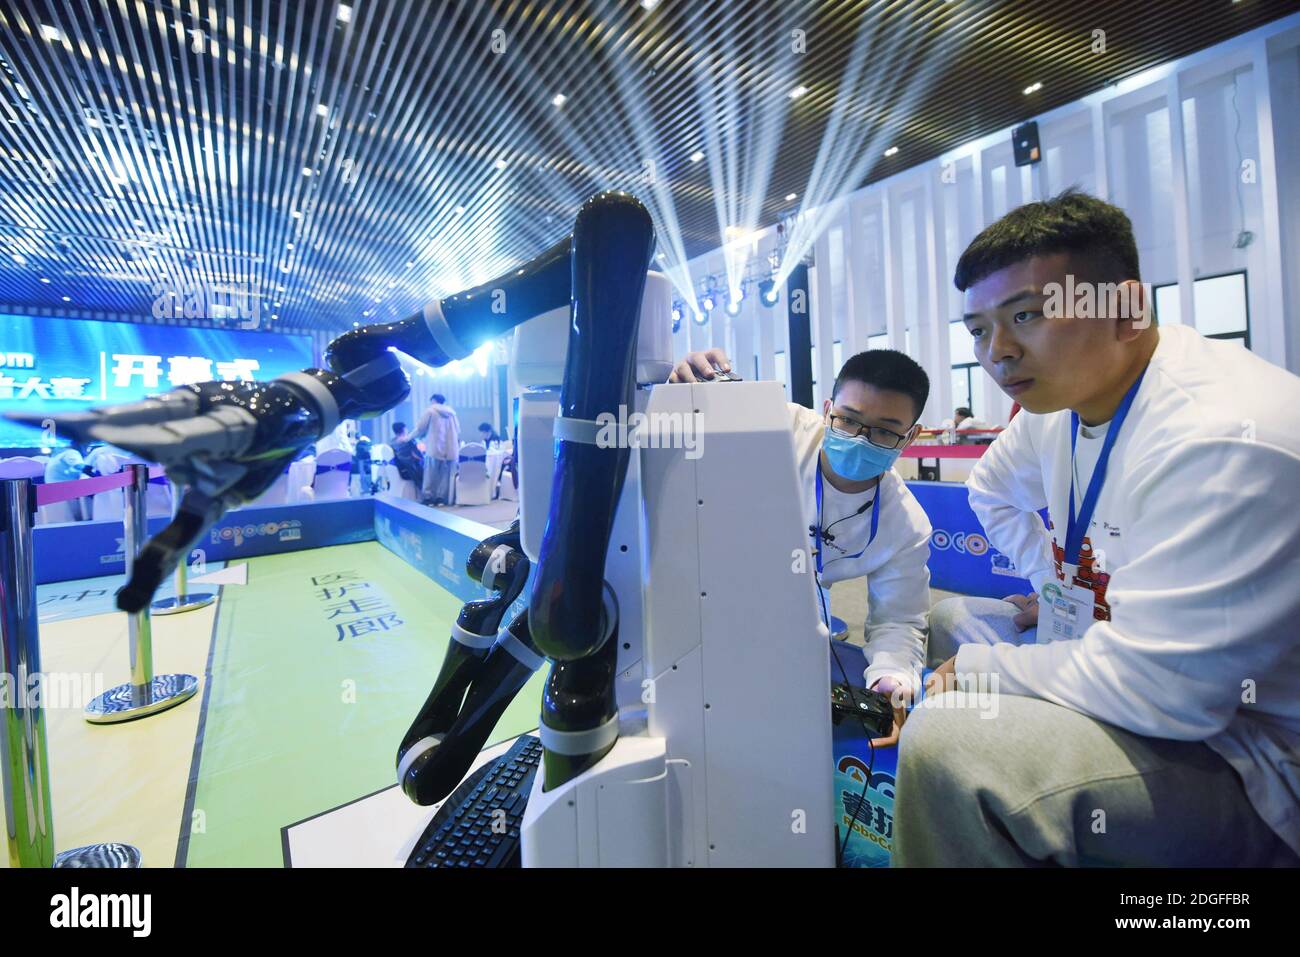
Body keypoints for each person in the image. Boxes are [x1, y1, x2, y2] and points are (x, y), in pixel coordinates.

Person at [896, 189, 1300, 866]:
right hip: (1153, 682)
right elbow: (992, 492)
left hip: (1251, 752)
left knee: (952, 737)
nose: (998, 351)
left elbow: (1165, 689)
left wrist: (983, 671)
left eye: (1025, 315)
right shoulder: (1057, 407)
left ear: (1127, 310)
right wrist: (1058, 587)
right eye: (977, 328)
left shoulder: (1223, 435)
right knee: (953, 618)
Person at [670, 347, 933, 746]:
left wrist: (891, 679)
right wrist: (680, 392)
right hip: (716, 589)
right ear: (828, 409)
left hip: (803, 616)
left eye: (884, 430)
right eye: (848, 420)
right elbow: (681, 433)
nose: (860, 439)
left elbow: (898, 620)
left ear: (911, 436)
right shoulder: (777, 429)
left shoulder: (906, 525)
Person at [411, 393, 460, 506]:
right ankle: (441, 499)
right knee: (445, 476)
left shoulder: (430, 411)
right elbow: (458, 430)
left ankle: (428, 498)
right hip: (451, 449)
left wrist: (409, 437)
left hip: (434, 447)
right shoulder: (452, 414)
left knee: (431, 474)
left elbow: (420, 428)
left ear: (433, 400)